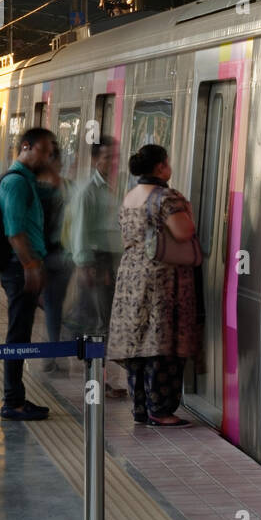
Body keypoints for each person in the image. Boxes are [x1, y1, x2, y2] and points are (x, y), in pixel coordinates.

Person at [107, 145, 197, 427]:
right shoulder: (166, 197)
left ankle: (140, 407)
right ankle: (161, 409)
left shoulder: (130, 196)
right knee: (161, 341)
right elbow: (184, 232)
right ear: (160, 167)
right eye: (167, 162)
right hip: (161, 277)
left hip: (131, 274)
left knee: (139, 341)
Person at [0, 127, 55, 420]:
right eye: (44, 151)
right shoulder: (17, 184)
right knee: (18, 334)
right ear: (26, 146)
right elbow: (14, 232)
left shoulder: (28, 181)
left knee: (22, 332)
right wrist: (30, 266)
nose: (48, 156)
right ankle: (12, 401)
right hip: (19, 268)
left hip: (25, 266)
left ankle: (16, 397)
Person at [67, 137, 127, 395]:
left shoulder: (119, 185)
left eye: (115, 157)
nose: (113, 163)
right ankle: (99, 381)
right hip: (97, 260)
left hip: (114, 260)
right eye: (107, 158)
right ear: (95, 160)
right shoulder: (88, 191)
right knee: (100, 322)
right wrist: (85, 265)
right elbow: (79, 231)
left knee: (106, 319)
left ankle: (104, 377)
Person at [38, 140, 72, 373]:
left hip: (60, 255)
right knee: (53, 305)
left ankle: (54, 354)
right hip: (49, 255)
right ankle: (55, 353)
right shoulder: (65, 188)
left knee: (53, 305)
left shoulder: (64, 187)